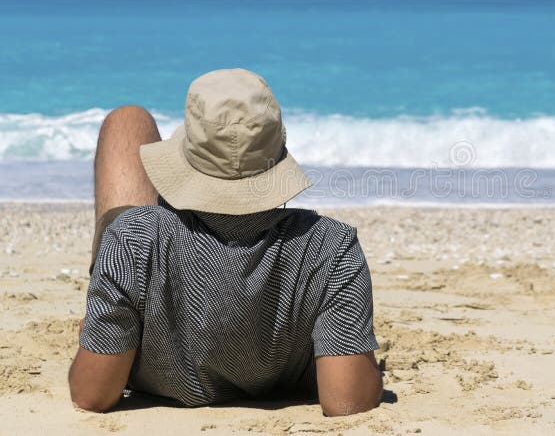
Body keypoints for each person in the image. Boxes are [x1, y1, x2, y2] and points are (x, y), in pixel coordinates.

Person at [67, 69, 382, 416]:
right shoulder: (331, 246)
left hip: (149, 365)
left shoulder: (133, 238)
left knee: (127, 119)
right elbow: (348, 402)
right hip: (283, 372)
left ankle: (112, 317)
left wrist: (96, 335)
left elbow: (91, 396)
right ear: (277, 151)